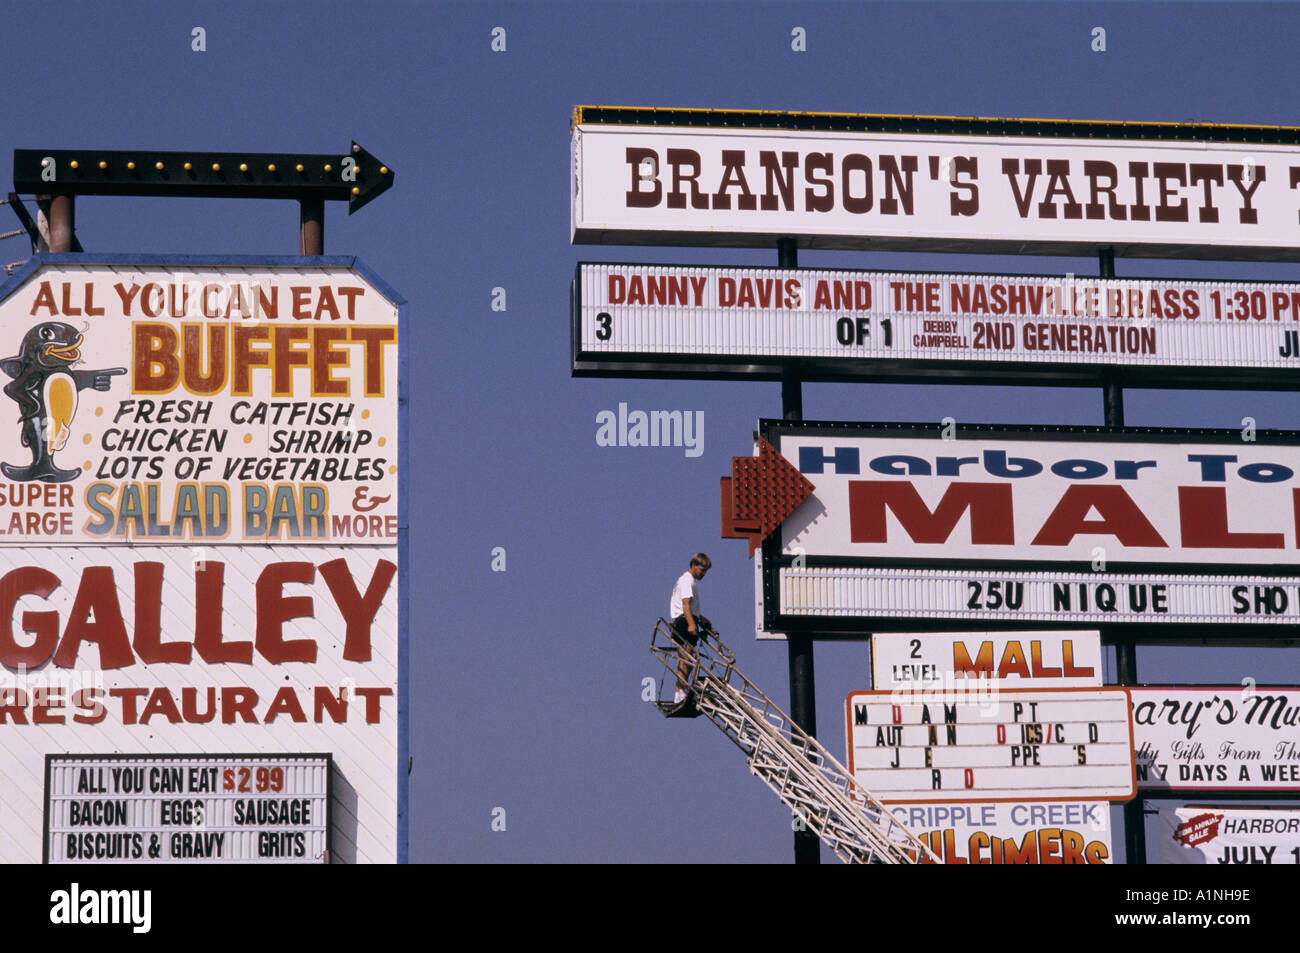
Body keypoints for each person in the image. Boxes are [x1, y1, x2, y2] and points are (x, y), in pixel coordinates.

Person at [669, 553, 711, 704]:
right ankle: (680, 692)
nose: (703, 574)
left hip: (685, 619)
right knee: (686, 657)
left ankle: (681, 691)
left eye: (705, 571)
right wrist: (692, 623)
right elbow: (685, 604)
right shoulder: (687, 580)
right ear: (694, 565)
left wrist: (700, 618)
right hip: (684, 621)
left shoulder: (688, 580)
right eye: (702, 570)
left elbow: (689, 606)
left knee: (687, 657)